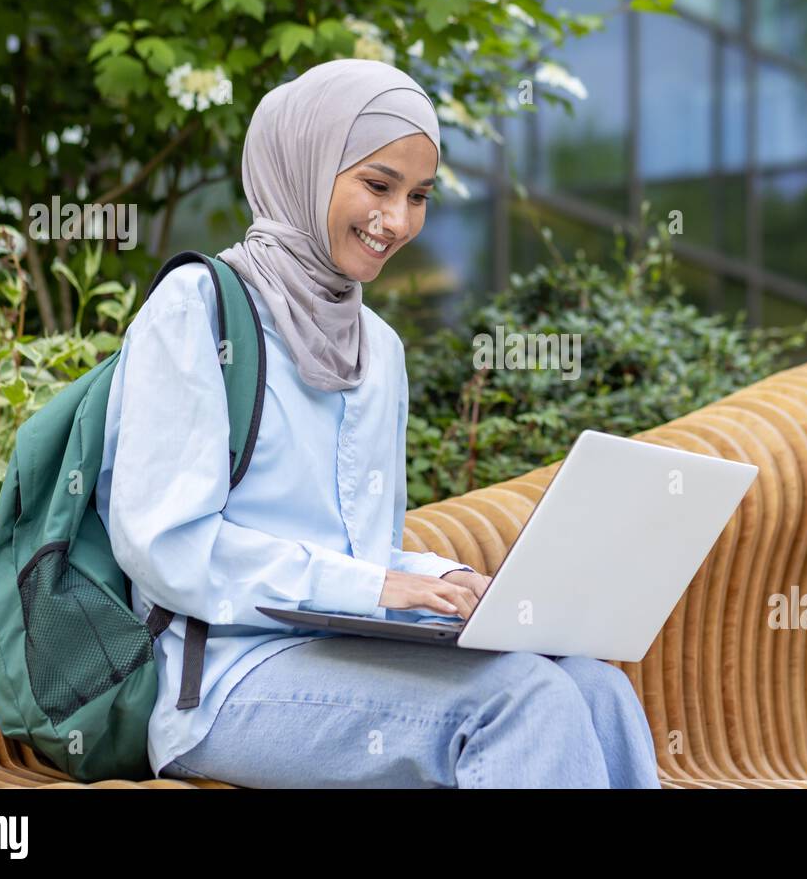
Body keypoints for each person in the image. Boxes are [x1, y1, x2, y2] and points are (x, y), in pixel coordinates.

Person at [93, 58, 662, 788]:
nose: (397, 221)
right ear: (307, 164)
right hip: (225, 682)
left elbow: (358, 551)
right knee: (521, 702)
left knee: (597, 688)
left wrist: (445, 578)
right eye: (377, 184)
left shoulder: (379, 347)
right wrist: (379, 589)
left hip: (342, 657)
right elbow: (166, 545)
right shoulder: (197, 307)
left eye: (419, 195)